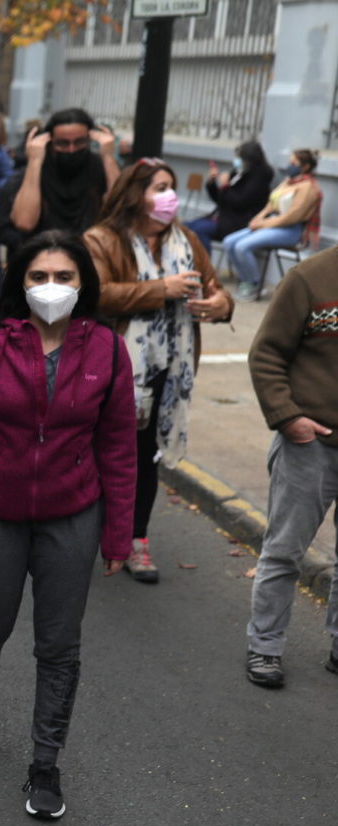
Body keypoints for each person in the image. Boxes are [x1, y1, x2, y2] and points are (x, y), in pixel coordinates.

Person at [0, 230, 136, 819]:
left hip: (72, 516)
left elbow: (119, 447)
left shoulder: (107, 349)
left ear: (83, 283)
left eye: (64, 277)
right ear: (19, 283)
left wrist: (118, 533)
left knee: (59, 644)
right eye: (39, 276)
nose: (51, 287)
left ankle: (45, 762)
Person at [84, 158, 233, 582]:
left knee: (143, 456)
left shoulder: (186, 239)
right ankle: (83, 528)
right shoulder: (101, 240)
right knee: (101, 453)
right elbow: (95, 294)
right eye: (159, 187)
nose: (169, 196)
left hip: (167, 371)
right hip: (116, 368)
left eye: (171, 186)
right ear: (135, 194)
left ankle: (135, 539)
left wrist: (219, 305)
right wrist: (159, 290)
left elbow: (217, 289)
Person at [244, 242, 338, 688]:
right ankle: (265, 646)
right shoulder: (308, 278)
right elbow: (266, 354)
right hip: (309, 445)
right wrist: (287, 417)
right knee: (284, 551)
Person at [220, 148, 323, 302]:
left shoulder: (308, 187)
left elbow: (292, 216)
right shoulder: (288, 181)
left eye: (294, 163)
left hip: (289, 230)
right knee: (229, 242)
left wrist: (263, 224)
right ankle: (245, 279)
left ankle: (254, 284)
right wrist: (256, 220)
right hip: (270, 223)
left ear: (306, 166)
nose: (290, 165)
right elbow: (270, 205)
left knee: (242, 246)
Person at [8, 108, 120, 242]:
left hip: (91, 249)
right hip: (45, 249)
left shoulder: (100, 167)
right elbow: (24, 222)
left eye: (79, 142)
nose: (71, 150)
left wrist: (108, 157)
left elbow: (121, 213)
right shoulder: (36, 170)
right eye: (63, 143)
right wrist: (34, 161)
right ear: (50, 142)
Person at [184, 141, 273, 253]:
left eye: (239, 158)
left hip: (237, 223)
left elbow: (240, 202)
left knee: (200, 230)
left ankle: (203, 263)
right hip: (222, 217)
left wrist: (225, 186)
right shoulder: (238, 173)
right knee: (185, 227)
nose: (236, 161)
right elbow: (220, 199)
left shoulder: (259, 178)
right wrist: (212, 183)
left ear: (249, 159)